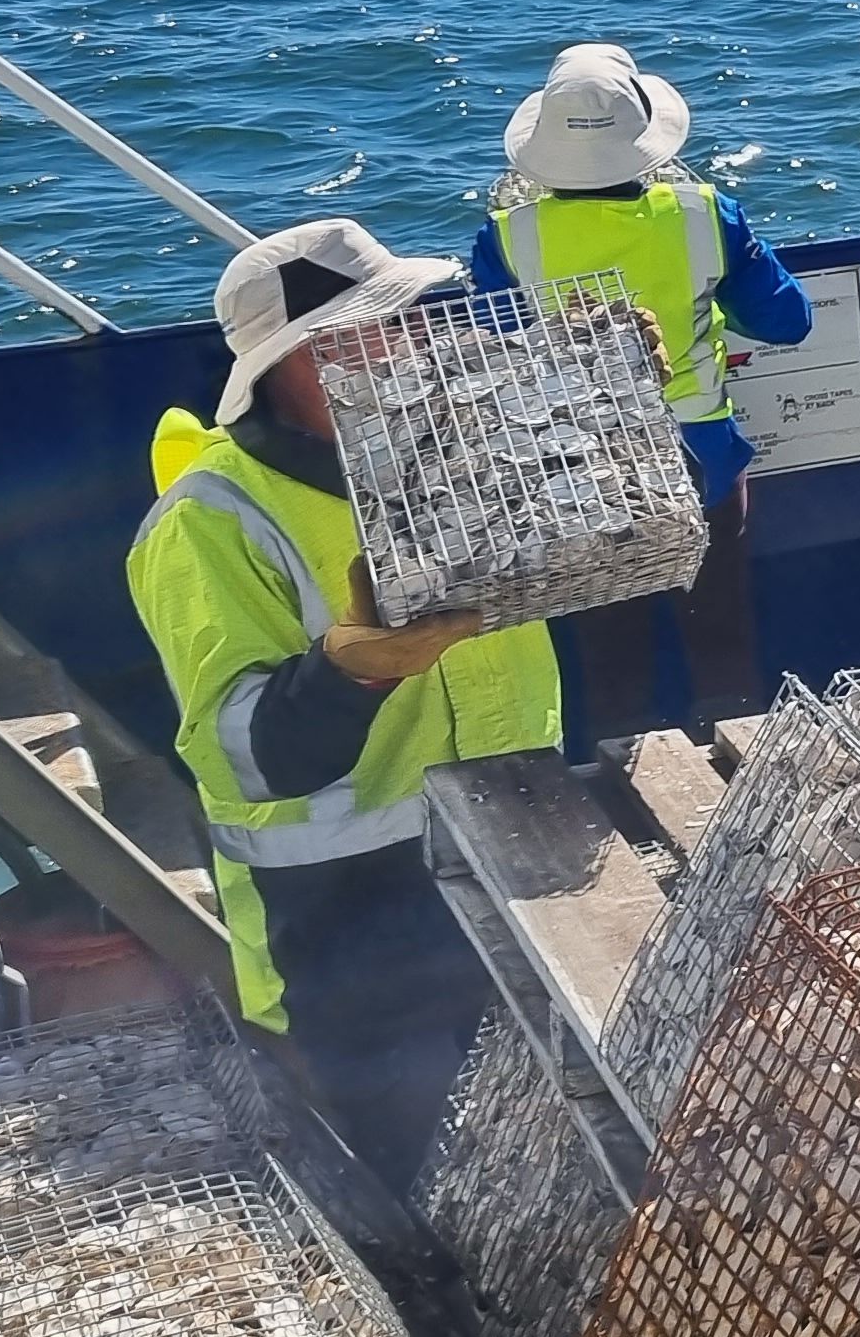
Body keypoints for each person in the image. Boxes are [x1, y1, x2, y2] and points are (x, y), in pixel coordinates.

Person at [127, 218, 561, 1187]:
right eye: (359, 336)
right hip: (349, 924)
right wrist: (354, 667)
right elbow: (242, 754)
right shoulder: (205, 522)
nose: (401, 349)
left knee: (552, 1143)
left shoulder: (443, 451)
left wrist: (618, 389)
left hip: (517, 846)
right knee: (436, 1178)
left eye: (403, 322)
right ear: (288, 366)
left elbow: (604, 505)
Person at [468, 43, 810, 733]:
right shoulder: (706, 214)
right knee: (719, 631)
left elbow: (492, 358)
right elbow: (788, 320)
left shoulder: (507, 237)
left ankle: (621, 775)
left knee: (607, 651)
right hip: (700, 461)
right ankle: (735, 760)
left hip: (578, 475)